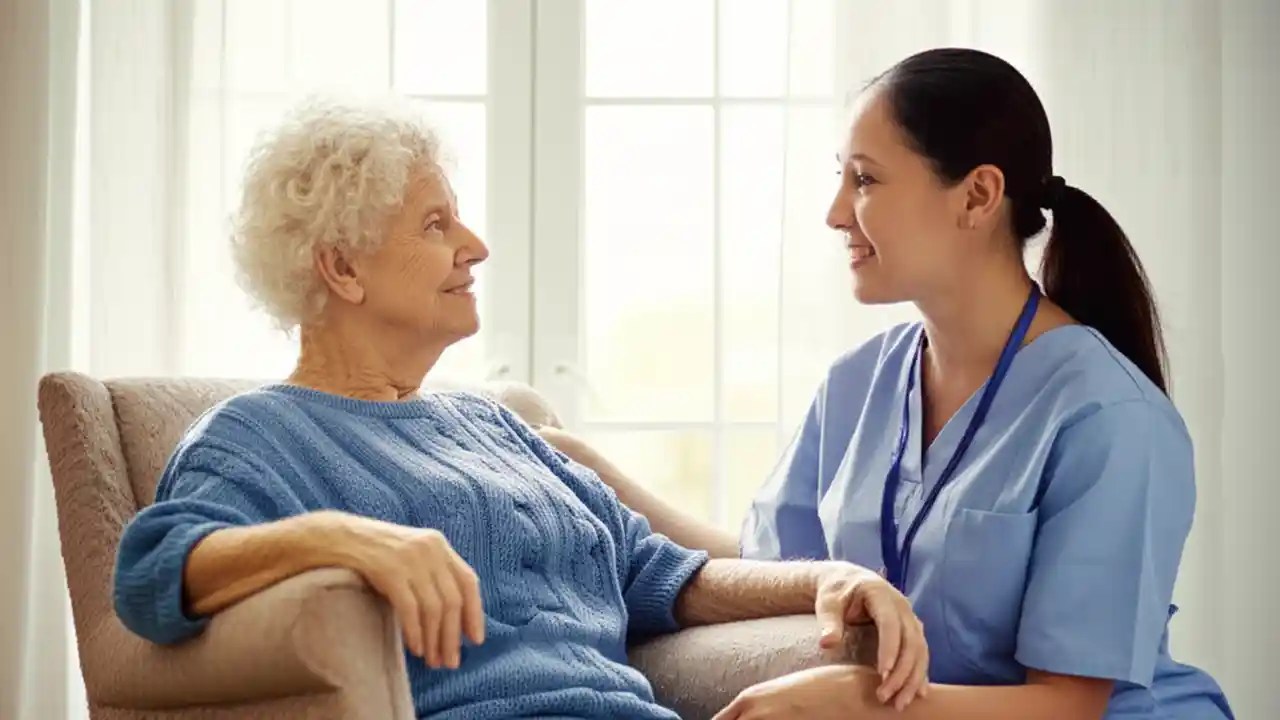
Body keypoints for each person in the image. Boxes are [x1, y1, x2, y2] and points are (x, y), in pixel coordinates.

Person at [111, 97, 929, 720]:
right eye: (437, 223)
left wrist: (828, 577)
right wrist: (348, 539)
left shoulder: (491, 425)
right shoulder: (259, 438)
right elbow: (150, 575)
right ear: (341, 268)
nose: (475, 246)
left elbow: (658, 574)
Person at [539, 48, 1234, 719]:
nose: (836, 212)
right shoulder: (858, 385)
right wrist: (578, 465)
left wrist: (861, 706)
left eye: (865, 180)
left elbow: (1069, 705)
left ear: (978, 196)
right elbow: (765, 568)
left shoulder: (1108, 418)